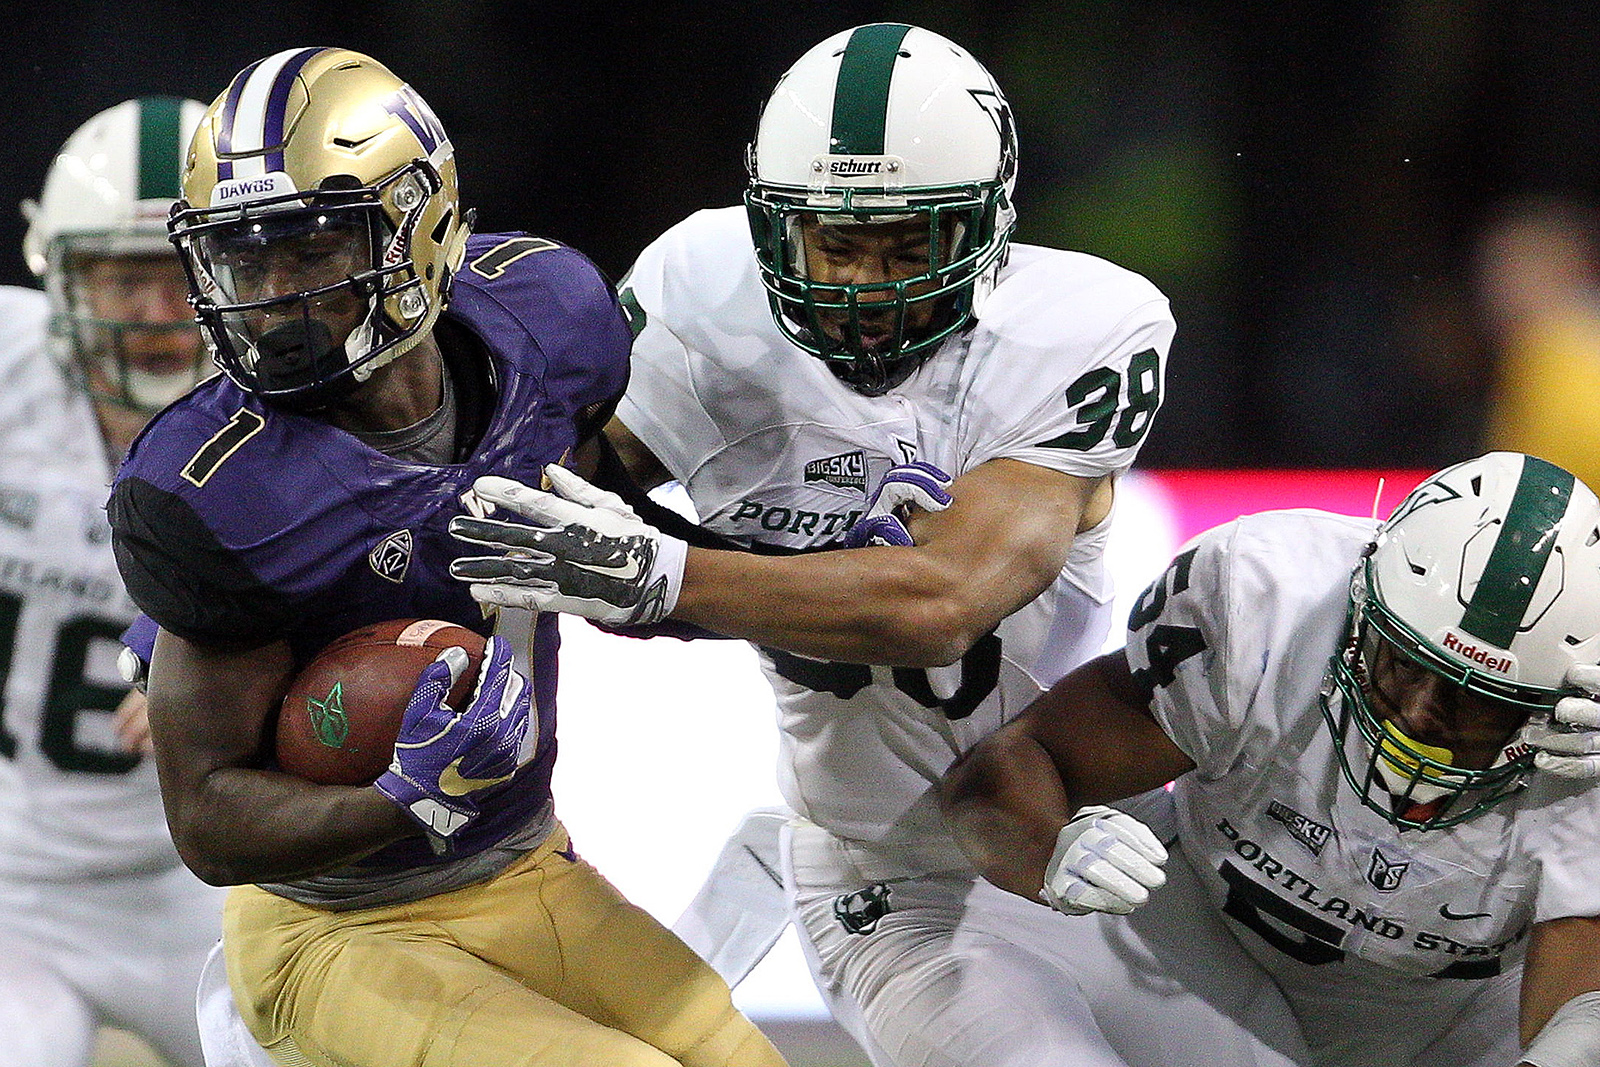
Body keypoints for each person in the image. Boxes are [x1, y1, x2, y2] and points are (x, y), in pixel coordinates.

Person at [446, 23, 1295, 1067]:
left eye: (907, 247)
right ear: (772, 231)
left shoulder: (1075, 327)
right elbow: (520, 501)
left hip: (1101, 841)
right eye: (835, 245)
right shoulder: (704, 299)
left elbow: (939, 601)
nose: (864, 289)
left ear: (985, 230)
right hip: (890, 878)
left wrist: (662, 575)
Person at [106, 47, 786, 1067]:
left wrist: (742, 564)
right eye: (246, 259)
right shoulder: (221, 491)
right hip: (331, 928)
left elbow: (605, 533)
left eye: (315, 249)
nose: (275, 294)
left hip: (526, 865)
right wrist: (398, 797)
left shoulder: (542, 319)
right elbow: (206, 820)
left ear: (419, 223)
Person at [939, 450, 1600, 1067]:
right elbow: (1006, 765)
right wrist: (1051, 851)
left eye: (1475, 701)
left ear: (1559, 707)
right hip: (1207, 954)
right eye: (1401, 661)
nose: (1421, 712)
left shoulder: (1587, 747)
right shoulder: (1266, 599)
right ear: (1362, 602)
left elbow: (1581, 1001)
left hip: (1454, 1026)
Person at [0, 96, 221, 1067]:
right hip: (12, 883)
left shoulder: (306, 425)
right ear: (59, 272)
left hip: (201, 875)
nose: (154, 312)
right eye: (123, 277)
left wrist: (237, 660)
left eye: (181, 275)